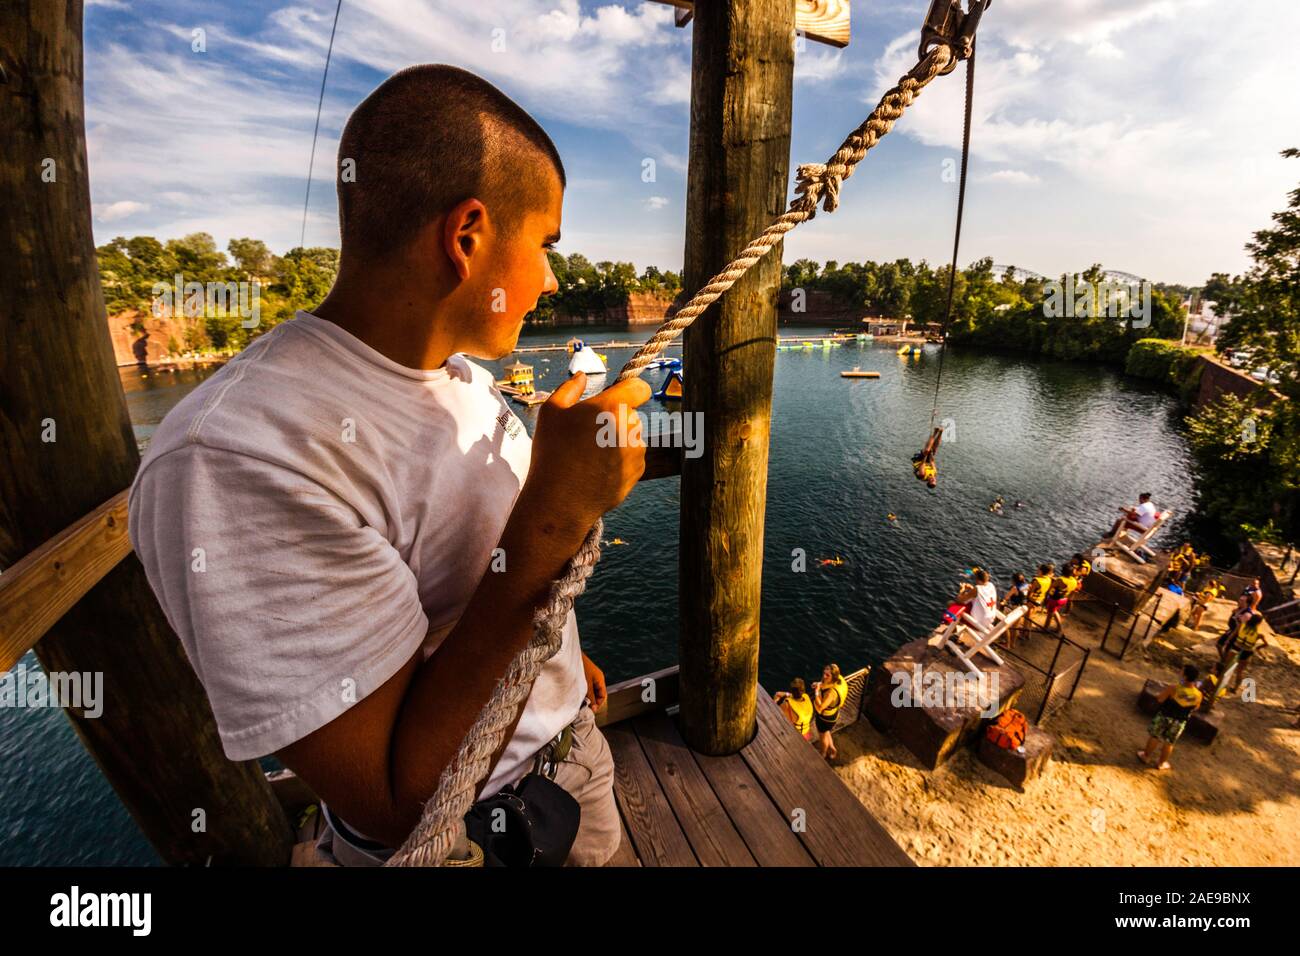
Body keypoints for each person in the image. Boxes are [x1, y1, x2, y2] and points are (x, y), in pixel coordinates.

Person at [128, 66, 652, 867]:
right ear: (467, 235)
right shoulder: (237, 460)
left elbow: (468, 579)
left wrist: (556, 664)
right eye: (546, 244)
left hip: (571, 761)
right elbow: (398, 802)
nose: (552, 278)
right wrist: (557, 511)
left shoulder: (461, 380)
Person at [1138, 664, 1204, 771]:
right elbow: (1196, 707)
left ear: (1186, 676)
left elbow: (1160, 699)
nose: (1180, 672)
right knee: (1169, 742)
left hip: (1165, 716)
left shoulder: (1174, 688)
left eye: (1182, 671)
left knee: (1155, 736)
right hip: (1180, 721)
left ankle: (1145, 756)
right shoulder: (1198, 694)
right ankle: (1161, 764)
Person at [1217, 611, 1270, 698]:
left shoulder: (1242, 625)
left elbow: (1233, 634)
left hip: (1236, 647)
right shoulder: (1259, 634)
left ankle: (1219, 683)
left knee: (1227, 667)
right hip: (1247, 652)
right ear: (1259, 623)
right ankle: (1235, 688)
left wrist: (1227, 641)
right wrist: (1258, 648)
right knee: (1239, 671)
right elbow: (1266, 644)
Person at [811, 664, 849, 761]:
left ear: (833, 676)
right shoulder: (839, 679)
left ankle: (823, 753)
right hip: (833, 714)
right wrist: (819, 684)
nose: (824, 676)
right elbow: (827, 683)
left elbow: (820, 708)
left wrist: (817, 691)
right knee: (826, 732)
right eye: (824, 673)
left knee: (822, 736)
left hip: (825, 718)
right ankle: (832, 749)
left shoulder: (831, 693)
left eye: (827, 675)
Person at [956, 567, 1000, 633]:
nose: (975, 581)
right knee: (969, 602)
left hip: (979, 623)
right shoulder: (991, 585)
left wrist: (962, 590)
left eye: (976, 579)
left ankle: (956, 631)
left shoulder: (977, 588)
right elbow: (983, 595)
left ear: (979, 580)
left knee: (951, 604)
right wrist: (972, 588)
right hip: (990, 619)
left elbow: (959, 600)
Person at [1044, 566, 1079, 633]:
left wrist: (1046, 598)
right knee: (1054, 612)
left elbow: (1050, 588)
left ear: (1063, 571)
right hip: (1064, 599)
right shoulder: (1074, 581)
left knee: (1049, 615)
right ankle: (1059, 628)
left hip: (1055, 600)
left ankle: (1045, 628)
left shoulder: (1060, 580)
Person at [1001, 572, 1030, 647]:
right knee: (1015, 627)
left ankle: (1006, 642)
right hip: (1021, 609)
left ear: (1014, 580)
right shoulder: (1027, 585)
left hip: (1013, 608)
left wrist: (1003, 601)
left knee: (1006, 624)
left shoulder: (1015, 588)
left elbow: (1006, 597)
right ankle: (1013, 643)